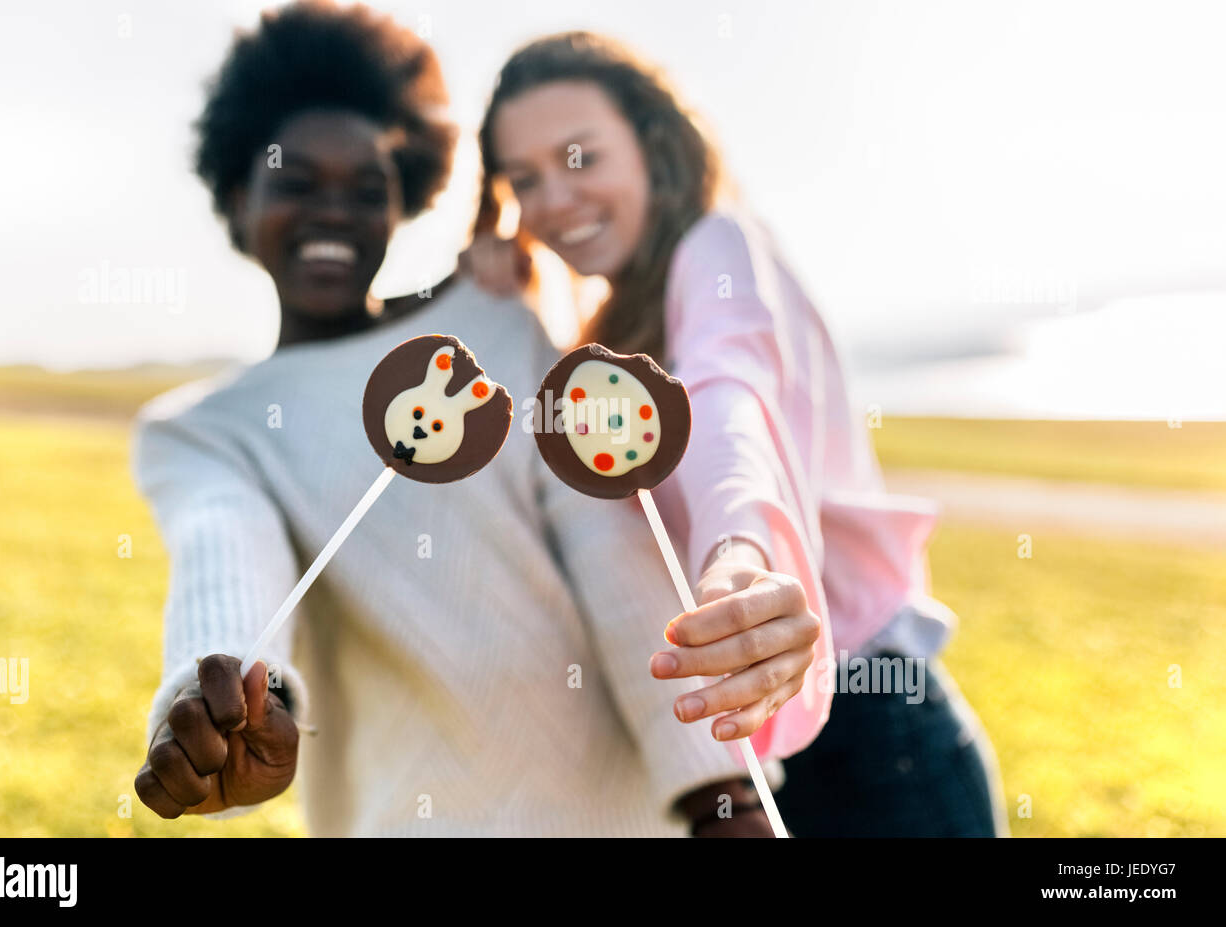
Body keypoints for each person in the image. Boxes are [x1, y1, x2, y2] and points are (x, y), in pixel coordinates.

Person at [132, 1, 820, 837]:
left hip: (629, 814)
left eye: (367, 190)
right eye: (296, 184)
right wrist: (219, 703)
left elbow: (610, 547)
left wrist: (724, 792)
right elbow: (226, 558)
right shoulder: (204, 430)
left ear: (406, 201)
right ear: (239, 201)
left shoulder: (489, 331)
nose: (332, 214)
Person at [464, 31, 1010, 836]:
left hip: (875, 733)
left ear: (653, 144)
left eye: (580, 157)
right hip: (759, 747)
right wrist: (495, 305)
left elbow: (731, 403)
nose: (551, 201)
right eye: (525, 180)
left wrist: (739, 556)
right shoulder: (613, 330)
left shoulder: (717, 249)